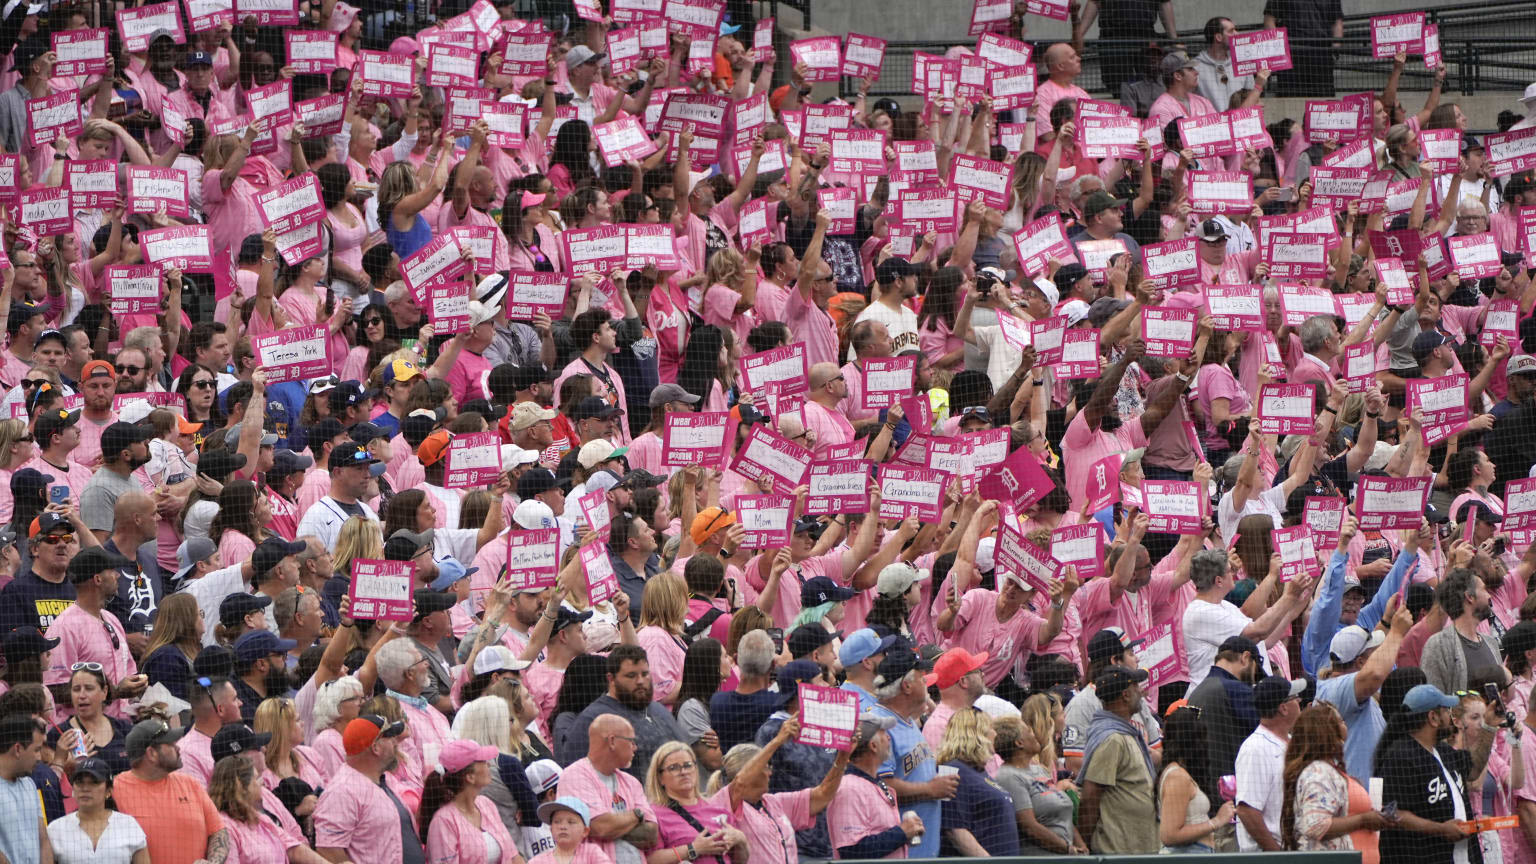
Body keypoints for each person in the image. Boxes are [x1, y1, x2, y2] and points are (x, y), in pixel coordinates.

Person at [1377, 685, 1493, 864]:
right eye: (1446, 710)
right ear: (1433, 717)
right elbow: (1395, 813)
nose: (1451, 717)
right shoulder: (1399, 757)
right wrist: (1441, 829)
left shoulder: (1444, 751)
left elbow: (1474, 770)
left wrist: (1490, 727)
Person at [1282, 703, 1392, 861]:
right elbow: (1315, 826)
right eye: (1340, 721)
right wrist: (1363, 820)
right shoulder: (1318, 772)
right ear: (1326, 731)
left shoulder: (1327, 769)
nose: (1345, 725)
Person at [111, 718, 230, 864]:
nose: (178, 748)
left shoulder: (191, 784)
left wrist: (213, 862)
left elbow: (218, 831)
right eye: (171, 744)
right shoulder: (114, 791)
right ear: (152, 753)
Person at [557, 643, 685, 776]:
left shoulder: (659, 710)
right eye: (631, 675)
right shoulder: (593, 719)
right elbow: (576, 775)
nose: (640, 681)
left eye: (645, 674)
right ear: (611, 679)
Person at [312, 714, 425, 863]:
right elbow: (328, 850)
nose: (394, 742)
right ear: (376, 748)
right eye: (389, 737)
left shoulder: (382, 779)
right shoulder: (342, 791)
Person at [556, 712, 660, 864]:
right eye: (631, 741)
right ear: (612, 741)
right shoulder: (575, 776)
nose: (635, 747)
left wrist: (613, 827)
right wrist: (637, 816)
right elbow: (601, 827)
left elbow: (651, 834)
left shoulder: (631, 782)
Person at [1077, 666, 1158, 854]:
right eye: (1136, 687)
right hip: (1117, 850)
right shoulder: (1112, 739)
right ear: (1126, 695)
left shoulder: (1125, 733)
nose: (1141, 691)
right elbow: (1090, 796)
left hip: (1137, 849)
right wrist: (1085, 846)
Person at [825, 714, 924, 859]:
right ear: (873, 745)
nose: (889, 738)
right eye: (883, 732)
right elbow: (852, 850)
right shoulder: (849, 788)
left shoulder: (874, 784)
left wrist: (905, 833)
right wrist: (902, 833)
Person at [644, 741, 748, 864]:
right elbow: (649, 860)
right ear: (660, 777)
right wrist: (694, 849)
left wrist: (741, 840)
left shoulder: (719, 810)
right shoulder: (653, 814)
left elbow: (739, 861)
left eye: (688, 765)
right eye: (674, 768)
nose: (683, 772)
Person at [1236, 676, 1307, 852]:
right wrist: (1277, 855)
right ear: (1283, 708)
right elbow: (1247, 811)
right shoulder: (1255, 749)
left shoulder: (1292, 742)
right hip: (1268, 856)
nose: (1299, 702)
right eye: (1295, 698)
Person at [421, 738, 520, 864]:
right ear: (470, 777)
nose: (488, 764)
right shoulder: (443, 821)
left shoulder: (486, 804)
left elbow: (513, 855)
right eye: (483, 761)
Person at [936, 708, 1018, 856]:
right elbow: (954, 830)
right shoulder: (949, 770)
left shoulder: (979, 770)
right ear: (977, 733)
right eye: (991, 728)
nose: (995, 733)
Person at [1156, 706, 1234, 854]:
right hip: (1188, 855)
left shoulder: (1182, 773)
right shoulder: (1177, 776)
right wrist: (1217, 821)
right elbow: (1169, 835)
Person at [46, 757, 149, 864]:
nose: (85, 788)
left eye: (94, 783)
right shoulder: (55, 829)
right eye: (79, 782)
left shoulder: (129, 826)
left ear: (108, 791)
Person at [0, 714, 52, 864]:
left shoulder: (29, 784)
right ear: (17, 749)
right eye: (36, 750)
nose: (40, 758)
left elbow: (44, 841)